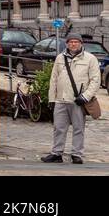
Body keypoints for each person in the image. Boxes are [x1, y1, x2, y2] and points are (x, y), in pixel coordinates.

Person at [41, 31, 100, 164]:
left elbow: (95, 80)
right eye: (71, 42)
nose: (73, 44)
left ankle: (77, 154)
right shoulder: (60, 58)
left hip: (78, 101)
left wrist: (85, 97)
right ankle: (56, 153)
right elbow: (54, 79)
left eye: (76, 42)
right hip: (61, 100)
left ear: (81, 43)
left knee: (79, 128)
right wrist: (51, 98)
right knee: (58, 128)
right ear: (67, 44)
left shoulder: (90, 59)